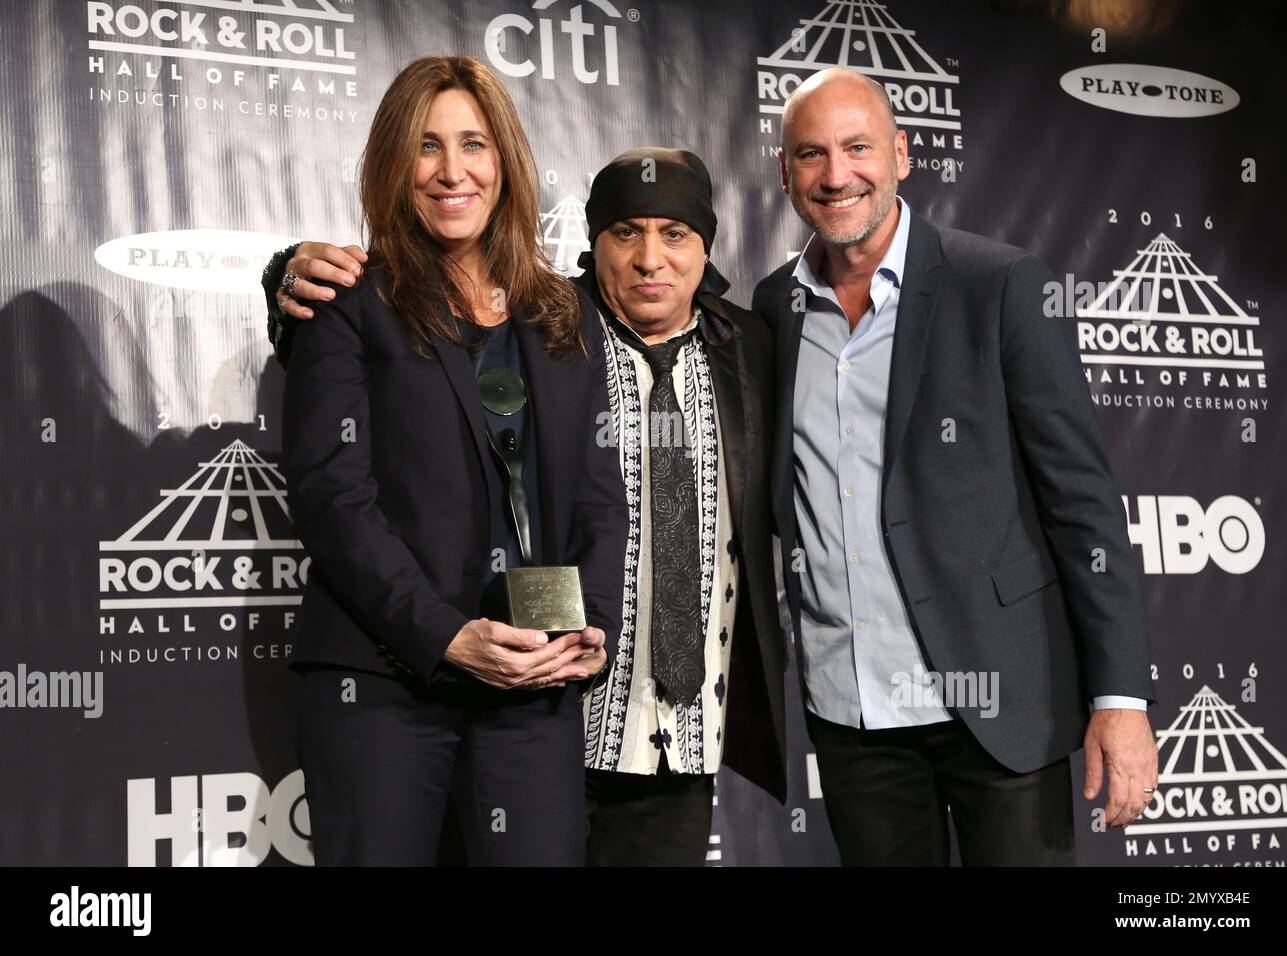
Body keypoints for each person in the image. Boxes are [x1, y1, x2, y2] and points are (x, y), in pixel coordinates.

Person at [266, 148, 788, 866]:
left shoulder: (751, 345)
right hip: (533, 702)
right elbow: (368, 387)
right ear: (591, 242)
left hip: (666, 725)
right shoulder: (544, 321)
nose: (650, 259)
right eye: (625, 233)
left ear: (708, 248)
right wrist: (285, 274)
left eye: (676, 235)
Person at [752, 68, 1158, 865]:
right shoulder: (774, 310)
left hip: (999, 703)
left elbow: (1082, 503)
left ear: (901, 154)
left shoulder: (999, 284)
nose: (837, 175)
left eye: (858, 147)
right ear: (786, 173)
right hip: (853, 715)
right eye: (811, 154)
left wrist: (1120, 699)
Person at [278, 55, 628, 866]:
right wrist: (446, 637)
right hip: (381, 684)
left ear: (504, 159)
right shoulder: (348, 303)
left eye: (473, 143)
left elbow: (598, 493)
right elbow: (334, 501)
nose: (451, 170)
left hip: (533, 681)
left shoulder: (562, 310)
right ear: (392, 165)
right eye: (425, 146)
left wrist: (591, 625)